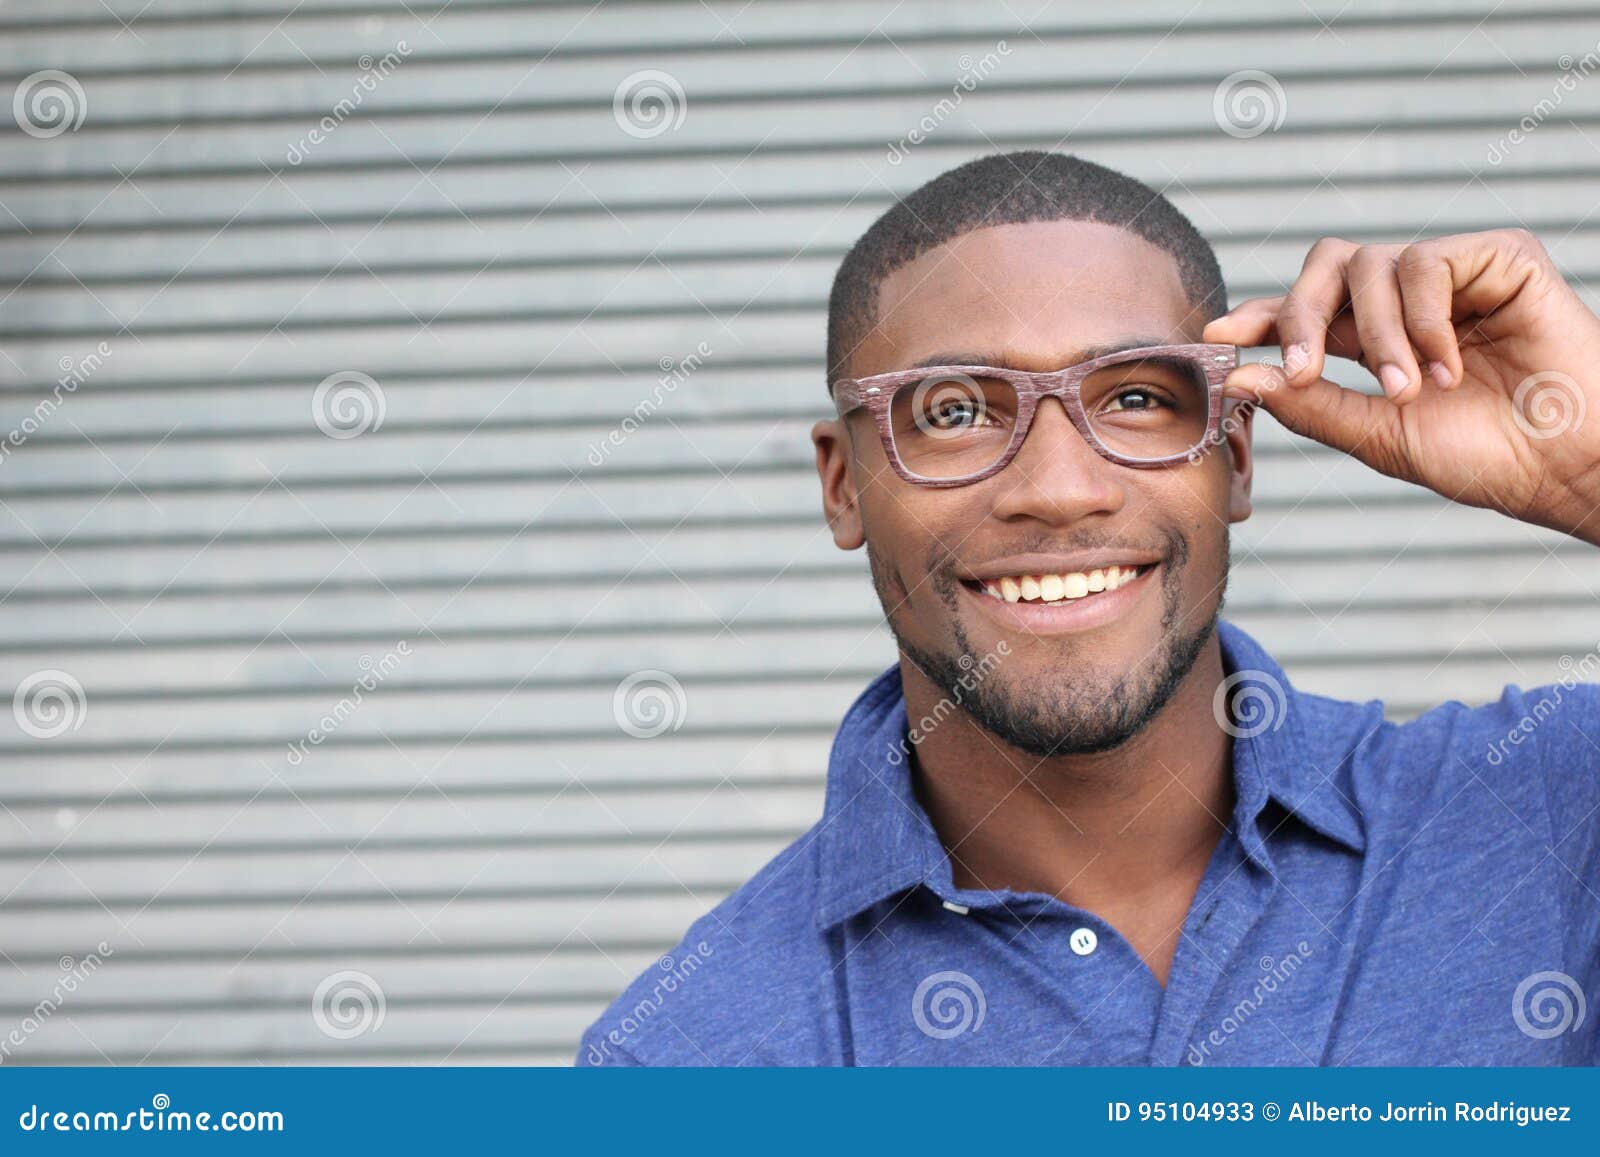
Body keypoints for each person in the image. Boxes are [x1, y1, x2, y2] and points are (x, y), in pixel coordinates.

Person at [577, 150, 1600, 1066]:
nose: (1061, 489)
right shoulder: (686, 1060)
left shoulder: (1554, 815)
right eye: (953, 412)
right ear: (843, 485)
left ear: (1234, 454)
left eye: (1137, 397)